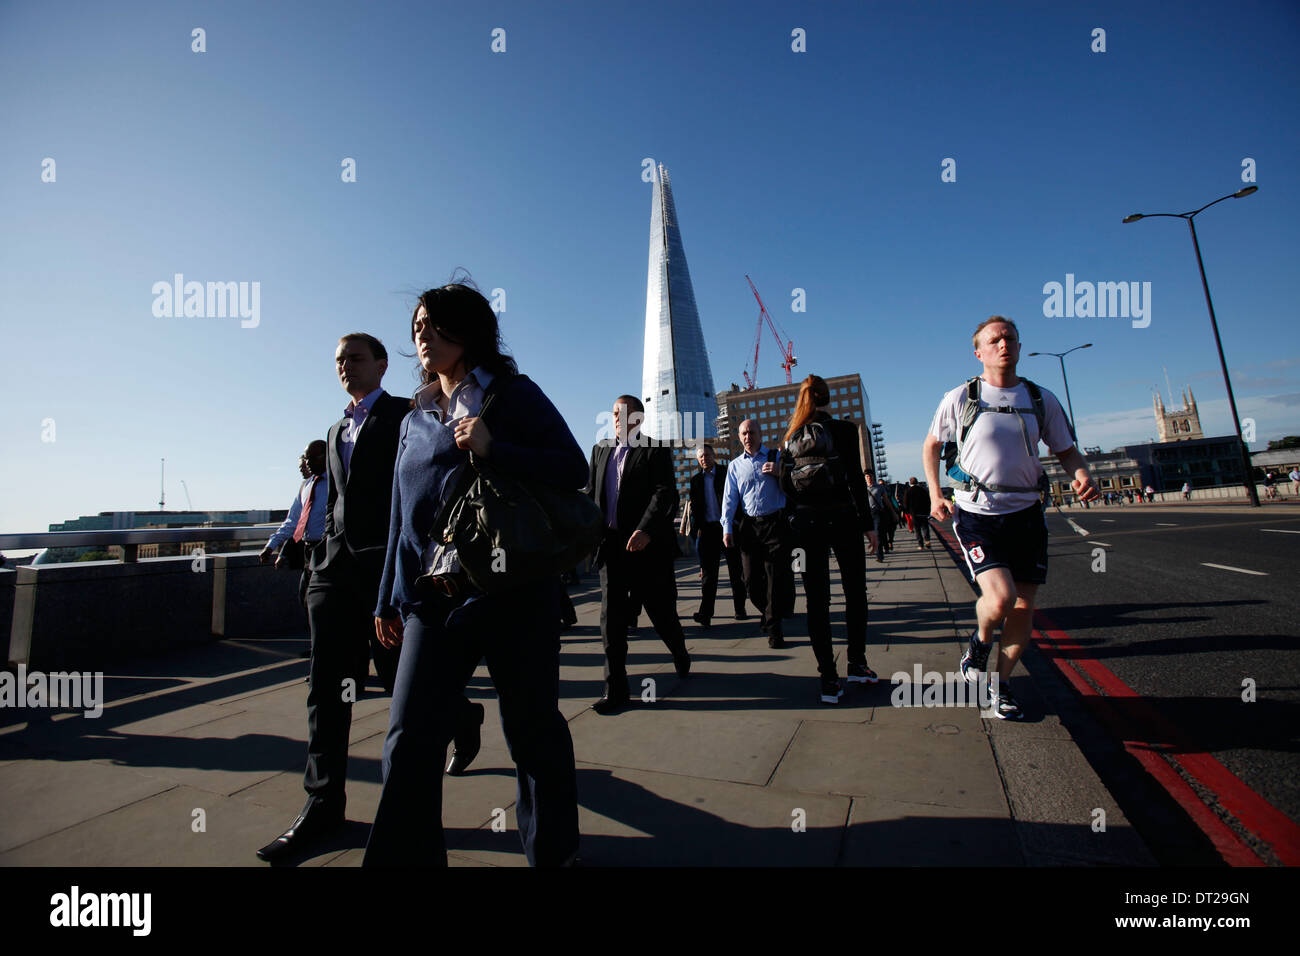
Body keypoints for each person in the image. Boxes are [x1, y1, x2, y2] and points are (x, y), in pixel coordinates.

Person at [363, 282, 584, 867]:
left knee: (533, 732)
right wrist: (389, 597)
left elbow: (573, 469)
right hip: (433, 598)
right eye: (417, 327)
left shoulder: (513, 395)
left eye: (434, 324)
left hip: (514, 591)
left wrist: (495, 447)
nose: (422, 335)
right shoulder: (415, 415)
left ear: (469, 331)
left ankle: (555, 856)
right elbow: (399, 514)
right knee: (408, 738)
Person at [258, 332, 429, 863]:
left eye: (356, 357)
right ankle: (322, 804)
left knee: (403, 685)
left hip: (386, 576)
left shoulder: (406, 415)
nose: (345, 366)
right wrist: (314, 558)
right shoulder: (334, 430)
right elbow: (334, 504)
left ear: (381, 363)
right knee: (326, 690)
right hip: (331, 574)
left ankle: (459, 721)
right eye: (338, 360)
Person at [922, 316, 1098, 720]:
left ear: (1018, 347)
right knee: (1000, 598)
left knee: (1023, 605)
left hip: (1026, 514)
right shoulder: (961, 397)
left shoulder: (1040, 398)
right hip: (978, 513)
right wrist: (935, 494)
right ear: (978, 351)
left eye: (1010, 339)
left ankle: (1001, 687)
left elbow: (1066, 449)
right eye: (994, 340)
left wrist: (1082, 473)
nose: (1004, 345)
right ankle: (980, 642)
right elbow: (931, 446)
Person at [587, 395, 691, 714]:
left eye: (625, 413)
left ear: (639, 419)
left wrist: (646, 529)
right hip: (612, 547)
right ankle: (616, 690)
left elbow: (665, 493)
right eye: (615, 412)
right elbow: (590, 495)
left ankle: (679, 651)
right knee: (612, 621)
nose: (618, 417)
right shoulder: (600, 450)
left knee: (661, 614)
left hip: (647, 549)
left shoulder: (654, 450)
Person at [780, 376, 879, 704]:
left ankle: (827, 678)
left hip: (807, 526)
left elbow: (785, 487)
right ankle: (857, 662)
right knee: (855, 592)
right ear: (828, 398)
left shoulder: (791, 437)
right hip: (844, 519)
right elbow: (855, 480)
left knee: (816, 600)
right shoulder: (845, 431)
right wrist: (869, 526)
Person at [722, 419, 792, 648]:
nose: (747, 437)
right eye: (743, 433)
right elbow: (730, 499)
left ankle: (774, 629)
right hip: (749, 527)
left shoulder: (776, 457)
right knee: (750, 581)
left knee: (775, 580)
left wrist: (780, 473)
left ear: (760, 434)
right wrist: (727, 527)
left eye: (751, 432)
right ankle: (768, 613)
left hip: (775, 524)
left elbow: (794, 486)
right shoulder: (735, 465)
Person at [260, 440, 328, 613]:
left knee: (319, 604)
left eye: (312, 458)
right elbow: (293, 521)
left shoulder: (336, 483)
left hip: (327, 550)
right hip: (308, 551)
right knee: (305, 599)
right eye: (306, 458)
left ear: (326, 457)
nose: (307, 463)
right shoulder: (306, 486)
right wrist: (271, 546)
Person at [689, 442, 749, 627]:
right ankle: (705, 614)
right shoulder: (695, 480)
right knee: (708, 574)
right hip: (708, 530)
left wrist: (737, 522)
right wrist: (696, 531)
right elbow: (694, 509)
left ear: (713, 455)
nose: (704, 459)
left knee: (736, 572)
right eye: (701, 457)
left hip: (728, 528)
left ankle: (740, 609)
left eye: (707, 455)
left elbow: (737, 498)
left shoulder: (726, 472)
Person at [863, 469, 897, 562]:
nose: (869, 478)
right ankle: (876, 547)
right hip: (867, 513)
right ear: (865, 478)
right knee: (871, 535)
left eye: (870, 476)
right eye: (867, 476)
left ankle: (879, 556)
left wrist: (893, 512)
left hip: (877, 512)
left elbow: (886, 500)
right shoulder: (862, 488)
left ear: (873, 477)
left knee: (878, 534)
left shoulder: (879, 488)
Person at [903, 477, 932, 548]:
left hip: (914, 513)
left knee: (917, 529)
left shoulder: (908, 491)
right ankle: (927, 540)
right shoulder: (923, 490)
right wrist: (928, 510)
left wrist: (907, 512)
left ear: (910, 483)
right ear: (917, 482)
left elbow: (905, 503)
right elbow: (928, 501)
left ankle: (920, 545)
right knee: (925, 527)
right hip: (923, 512)